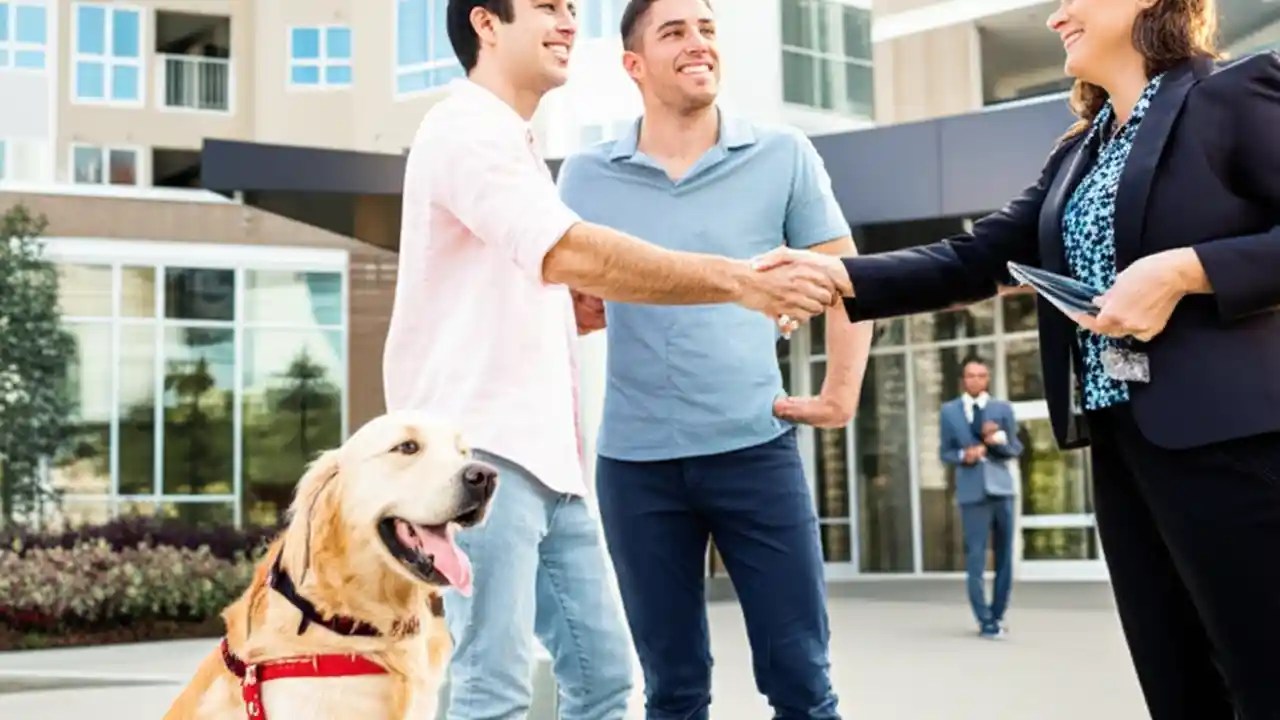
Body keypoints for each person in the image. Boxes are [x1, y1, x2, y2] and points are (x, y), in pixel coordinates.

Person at [759, 0, 1280, 715]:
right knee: (1178, 689)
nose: (1056, 17)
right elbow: (975, 258)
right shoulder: (1080, 152)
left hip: (1239, 448)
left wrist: (1187, 270)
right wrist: (837, 276)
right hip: (1126, 450)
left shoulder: (1233, 93)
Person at [382, 1, 842, 718]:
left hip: (552, 465)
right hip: (484, 455)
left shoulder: (516, 145)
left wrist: (570, 310)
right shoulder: (466, 130)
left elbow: (525, 278)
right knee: (494, 687)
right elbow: (565, 250)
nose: (569, 22)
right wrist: (739, 282)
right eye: (547, 6)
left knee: (601, 683)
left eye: (572, 8)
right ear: (486, 25)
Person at [555, 1, 872, 718]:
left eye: (706, 29)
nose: (698, 43)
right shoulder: (585, 177)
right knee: (672, 690)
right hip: (636, 467)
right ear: (633, 65)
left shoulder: (782, 154)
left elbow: (851, 284)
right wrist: (577, 310)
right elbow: (557, 305)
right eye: (674, 32)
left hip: (755, 453)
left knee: (801, 681)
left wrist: (840, 393)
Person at [939, 356, 1023, 639]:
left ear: (987, 378)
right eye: (970, 375)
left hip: (1002, 491)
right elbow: (945, 452)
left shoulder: (1002, 409)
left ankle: (997, 614)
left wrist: (995, 442)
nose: (975, 380)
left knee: (1005, 557)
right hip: (971, 493)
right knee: (975, 558)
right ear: (963, 379)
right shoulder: (949, 411)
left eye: (981, 375)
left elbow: (1015, 448)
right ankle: (984, 620)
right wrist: (965, 455)